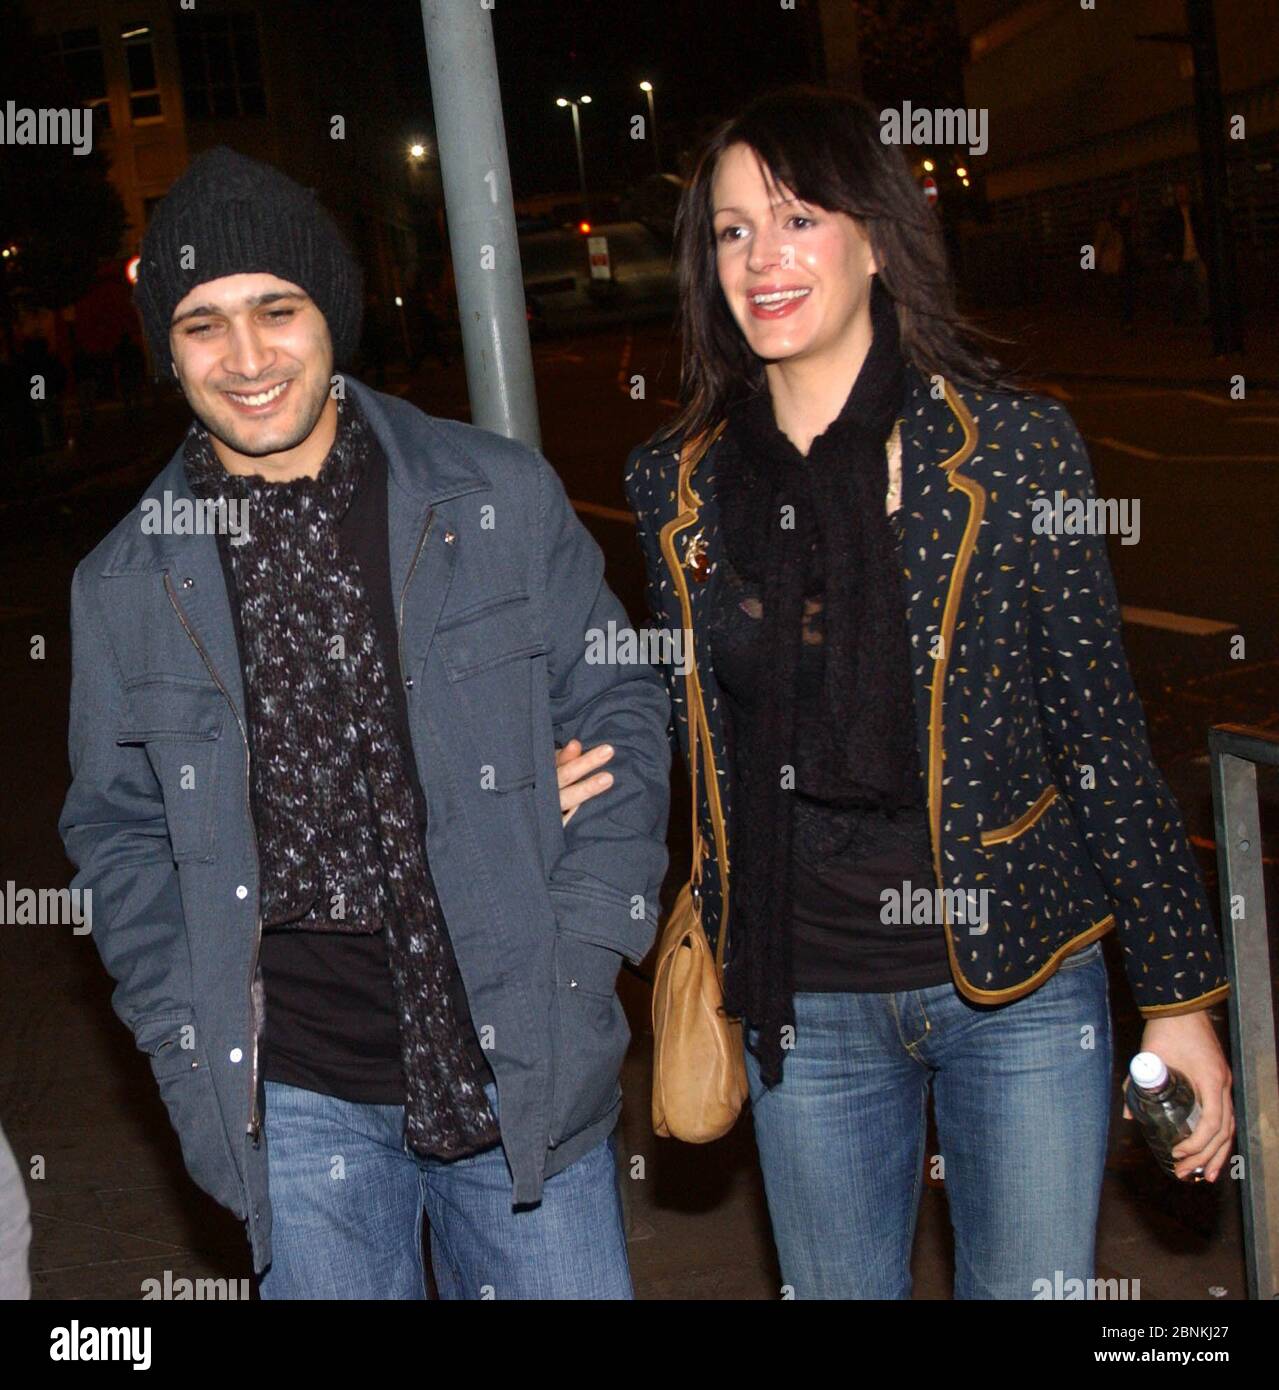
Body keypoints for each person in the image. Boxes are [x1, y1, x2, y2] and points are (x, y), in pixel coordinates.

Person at [623, 88, 1234, 1299]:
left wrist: (1177, 997)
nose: (761, 258)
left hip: (1012, 979)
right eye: (732, 231)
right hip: (805, 997)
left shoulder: (1009, 450)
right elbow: (682, 719)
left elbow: (1102, 734)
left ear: (875, 236)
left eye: (795, 218)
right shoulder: (676, 485)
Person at [58, 146, 668, 1300]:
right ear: (165, 350)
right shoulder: (124, 584)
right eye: (202, 324)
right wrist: (184, 1043)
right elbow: (119, 835)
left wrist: (585, 946)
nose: (245, 359)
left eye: (275, 310)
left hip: (518, 1055)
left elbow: (622, 696)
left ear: (328, 313)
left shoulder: (489, 496)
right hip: (292, 1094)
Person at [1158, 182, 1208, 326]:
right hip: (1178, 256)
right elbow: (1162, 234)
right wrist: (1167, 251)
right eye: (1179, 192)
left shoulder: (1196, 211)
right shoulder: (1170, 214)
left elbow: (1202, 231)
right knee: (1177, 288)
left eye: (1184, 192)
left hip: (1196, 254)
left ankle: (1204, 315)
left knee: (1202, 286)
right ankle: (1178, 316)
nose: (1182, 195)